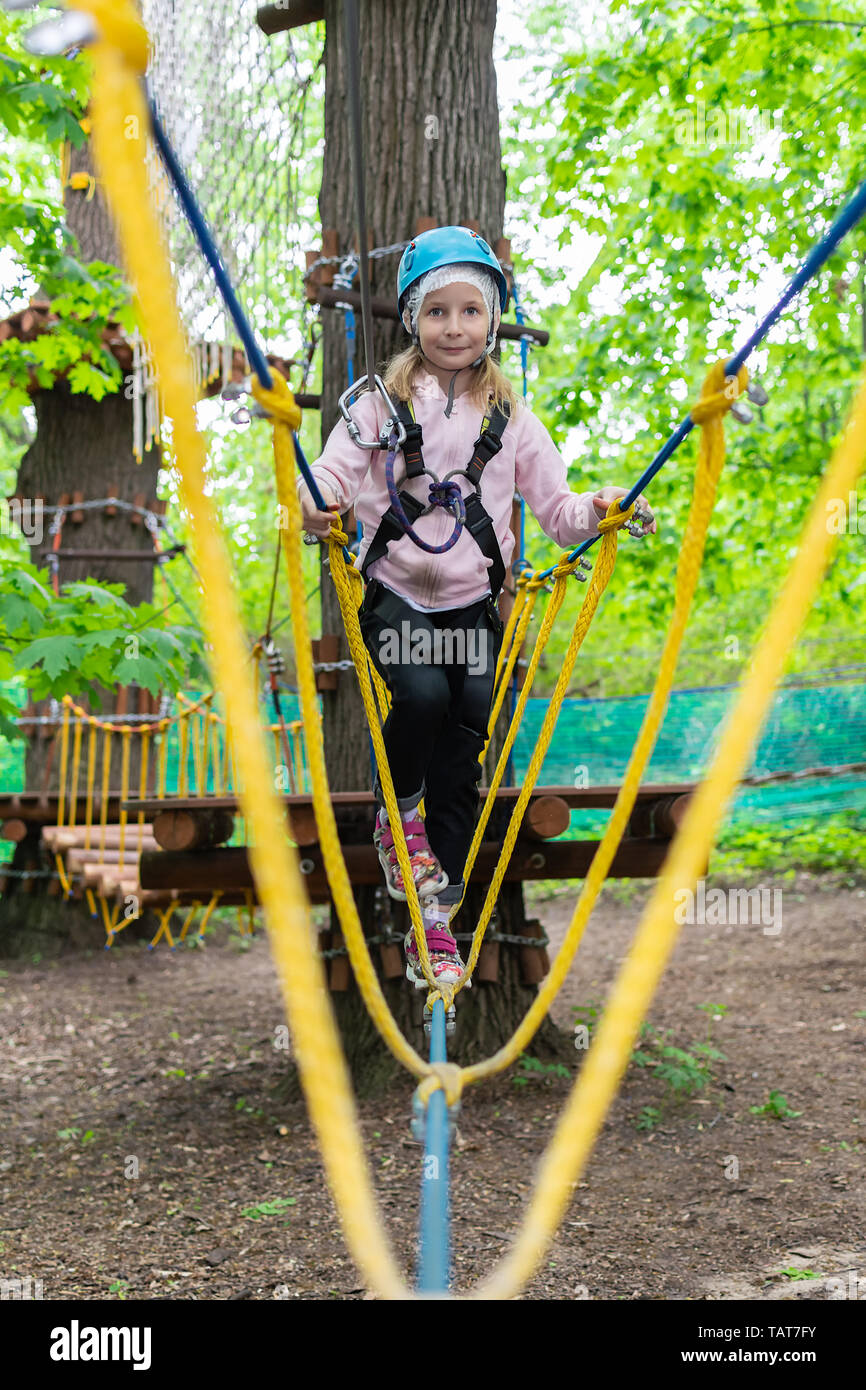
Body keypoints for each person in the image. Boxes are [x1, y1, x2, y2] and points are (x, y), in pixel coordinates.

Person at [299, 226, 656, 990]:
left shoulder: (515, 419)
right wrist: (318, 504)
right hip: (392, 592)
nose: (454, 327)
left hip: (472, 603)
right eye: (437, 312)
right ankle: (399, 826)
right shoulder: (376, 405)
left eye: (470, 311)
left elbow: (558, 511)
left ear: (493, 320)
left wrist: (603, 505)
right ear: (412, 321)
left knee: (468, 734)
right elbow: (328, 473)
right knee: (422, 693)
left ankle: (444, 901)